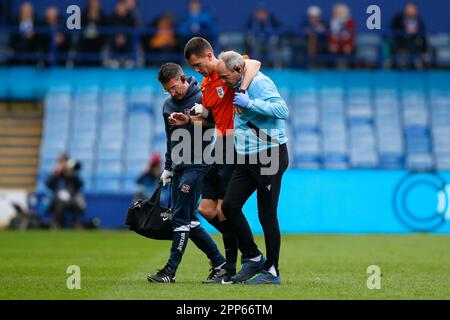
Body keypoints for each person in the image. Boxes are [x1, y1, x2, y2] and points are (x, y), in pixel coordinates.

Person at [180, 37, 261, 283]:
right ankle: (248, 249)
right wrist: (189, 120)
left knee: (225, 210)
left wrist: (244, 90)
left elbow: (255, 63)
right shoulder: (205, 85)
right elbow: (212, 119)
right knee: (205, 208)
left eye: (197, 64)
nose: (196, 70)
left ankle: (229, 268)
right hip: (218, 147)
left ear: (209, 55)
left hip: (233, 146)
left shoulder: (228, 68)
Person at [147, 63, 226, 283]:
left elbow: (218, 124)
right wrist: (169, 166)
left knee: (180, 219)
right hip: (180, 167)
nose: (173, 93)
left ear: (183, 78)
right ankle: (220, 264)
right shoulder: (167, 106)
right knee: (189, 220)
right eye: (167, 90)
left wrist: (197, 117)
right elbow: (170, 138)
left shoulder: (202, 97)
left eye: (174, 87)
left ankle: (170, 271)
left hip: (198, 165)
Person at [216, 50, 289, 285]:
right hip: (247, 156)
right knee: (229, 205)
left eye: (226, 77)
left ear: (237, 70)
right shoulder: (241, 78)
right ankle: (255, 256)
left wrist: (252, 103)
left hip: (269, 155)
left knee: (266, 214)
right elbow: (252, 61)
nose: (225, 82)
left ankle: (272, 270)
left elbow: (282, 110)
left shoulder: (260, 83)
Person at [45, 154, 86, 229]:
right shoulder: (56, 173)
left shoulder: (73, 174)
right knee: (60, 203)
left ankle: (75, 223)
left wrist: (73, 175)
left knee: (77, 201)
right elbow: (48, 184)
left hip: (72, 197)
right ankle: (57, 223)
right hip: (57, 199)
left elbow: (80, 185)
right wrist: (56, 174)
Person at [391, 2, 428, 69]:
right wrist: (405, 29)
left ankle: (415, 67)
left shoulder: (419, 21)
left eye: (413, 9)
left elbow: (423, 35)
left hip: (414, 44)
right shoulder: (399, 19)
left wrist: (424, 51)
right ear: (406, 10)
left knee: (416, 49)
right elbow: (394, 28)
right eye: (409, 9)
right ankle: (396, 67)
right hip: (401, 42)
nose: (411, 11)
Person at [245, 2, 281, 67]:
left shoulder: (271, 18)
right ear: (256, 13)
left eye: (263, 12)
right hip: (256, 39)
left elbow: (279, 27)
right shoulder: (252, 19)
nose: (261, 14)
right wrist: (250, 36)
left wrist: (274, 35)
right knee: (255, 48)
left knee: (272, 47)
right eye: (259, 12)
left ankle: (276, 67)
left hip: (269, 39)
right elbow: (247, 28)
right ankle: (254, 67)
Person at [77, 0, 108, 66]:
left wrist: (97, 19)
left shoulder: (103, 16)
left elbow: (105, 29)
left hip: (98, 43)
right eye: (93, 2)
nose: (94, 4)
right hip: (85, 42)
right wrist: (89, 18)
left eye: (96, 2)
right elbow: (79, 28)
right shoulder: (83, 15)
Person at [328, 3, 355, 67]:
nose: (337, 13)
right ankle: (332, 70)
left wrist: (349, 45)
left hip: (346, 43)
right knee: (332, 49)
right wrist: (333, 44)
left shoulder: (350, 22)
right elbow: (331, 36)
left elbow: (352, 36)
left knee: (348, 49)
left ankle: (350, 70)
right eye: (336, 12)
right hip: (336, 43)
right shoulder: (332, 21)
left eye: (339, 12)